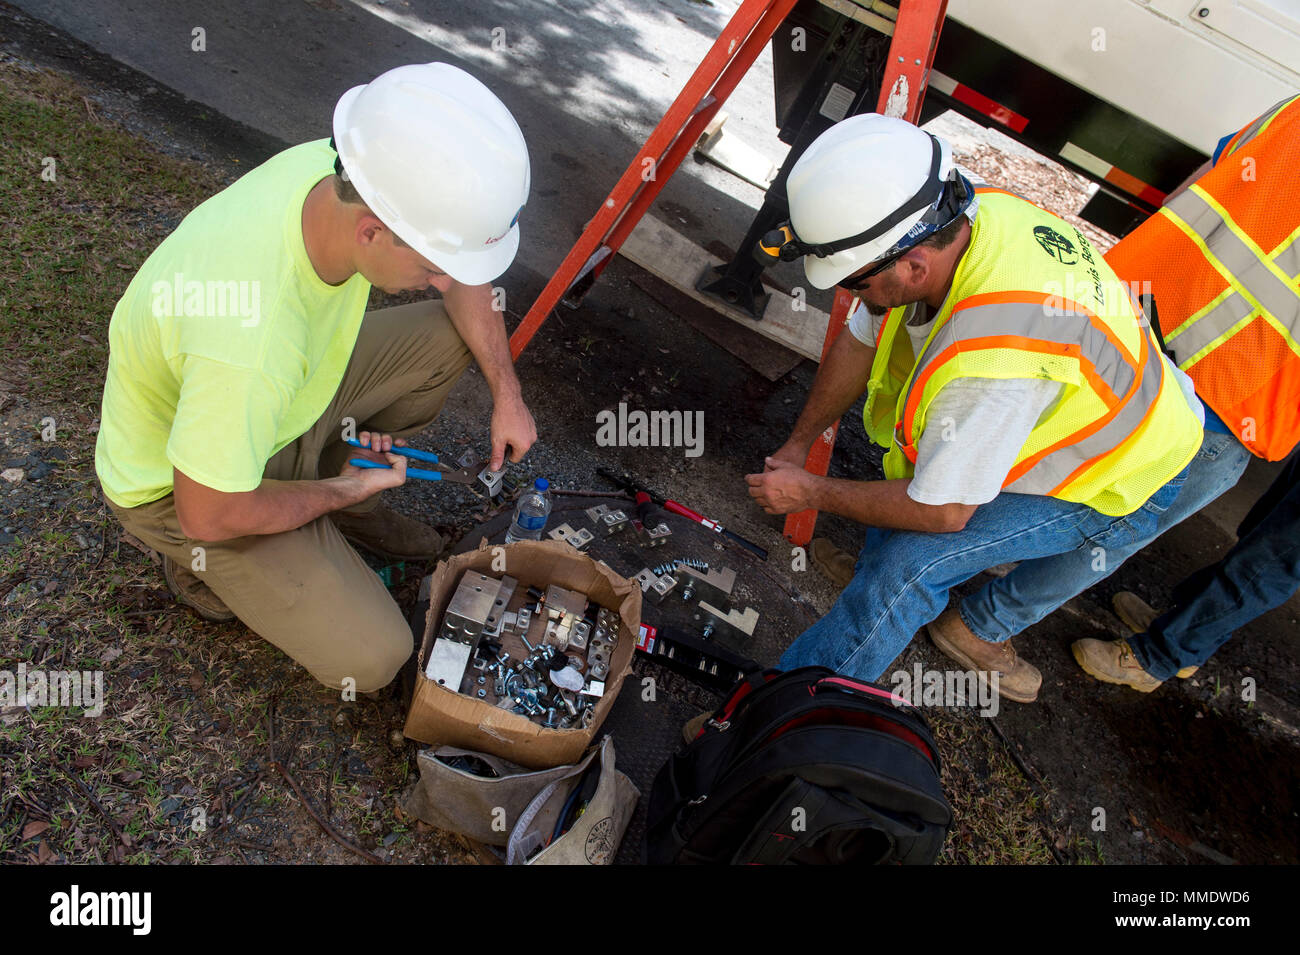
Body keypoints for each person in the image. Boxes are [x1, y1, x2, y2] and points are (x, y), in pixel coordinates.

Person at [94, 63, 536, 693]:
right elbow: (208, 511)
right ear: (373, 231)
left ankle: (316, 491)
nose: (446, 281)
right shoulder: (249, 342)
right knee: (376, 656)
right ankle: (205, 567)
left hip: (278, 403)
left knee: (446, 337)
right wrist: (341, 490)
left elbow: (462, 271)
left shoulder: (346, 175)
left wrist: (507, 395)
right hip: (184, 490)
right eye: (436, 265)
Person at [746, 113, 1204, 702]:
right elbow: (862, 338)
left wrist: (811, 491)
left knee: (908, 567)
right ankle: (863, 610)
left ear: (913, 268)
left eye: (852, 283)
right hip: (1082, 405)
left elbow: (943, 512)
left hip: (1123, 470)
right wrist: (797, 444)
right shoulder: (945, 213)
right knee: (907, 513)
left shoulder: (995, 359)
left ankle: (774, 716)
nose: (846, 294)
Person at [1061, 92, 1300, 690]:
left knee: (1281, 555)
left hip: (1202, 360)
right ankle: (1188, 624)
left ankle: (1161, 656)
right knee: (1267, 531)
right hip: (1222, 367)